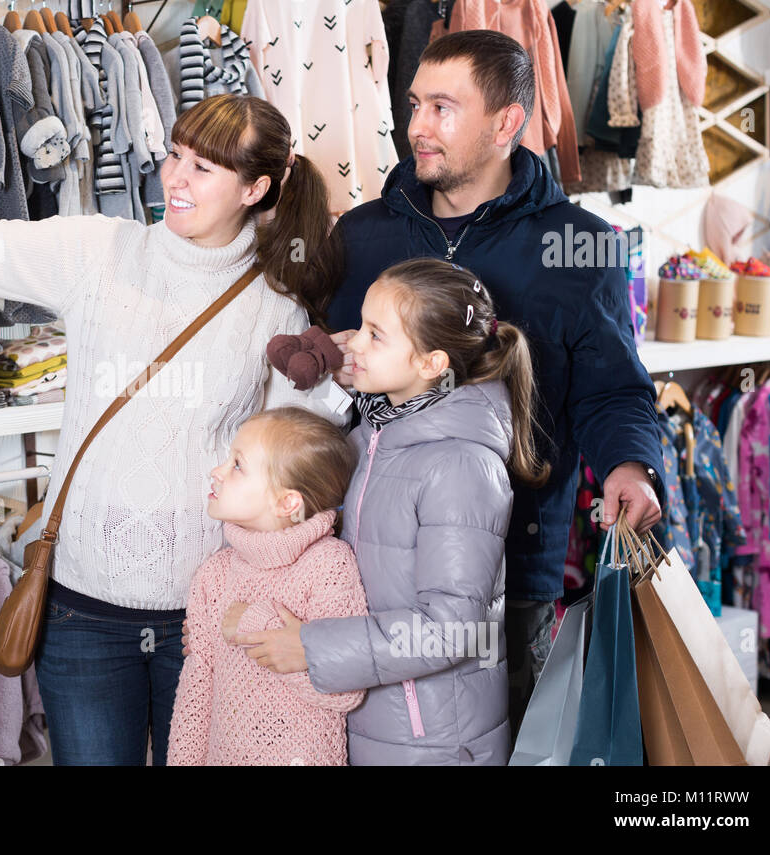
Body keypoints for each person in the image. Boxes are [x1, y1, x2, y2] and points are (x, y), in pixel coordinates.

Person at [0, 94, 347, 765]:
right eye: (175, 154)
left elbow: (290, 469)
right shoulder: (99, 250)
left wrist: (329, 382)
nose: (175, 178)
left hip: (210, 613)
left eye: (205, 168)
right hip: (81, 611)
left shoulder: (276, 308)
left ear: (256, 187)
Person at [323, 30, 666, 737]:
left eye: (443, 108)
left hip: (522, 576)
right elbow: (328, 392)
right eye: (414, 104)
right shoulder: (361, 237)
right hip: (373, 571)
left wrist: (631, 464)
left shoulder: (581, 245)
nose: (415, 125)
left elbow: (611, 389)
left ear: (506, 123)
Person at [238, 259, 547, 764]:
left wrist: (313, 649)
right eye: (361, 324)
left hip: (433, 742)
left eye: (375, 335)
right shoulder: (371, 438)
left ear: (431, 364)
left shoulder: (460, 465)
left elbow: (453, 628)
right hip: (372, 722)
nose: (353, 343)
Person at [167, 407, 367, 766]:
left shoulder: (329, 565)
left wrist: (254, 623)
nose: (217, 471)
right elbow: (196, 694)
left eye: (237, 465)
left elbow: (345, 690)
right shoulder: (214, 575)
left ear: (287, 501)